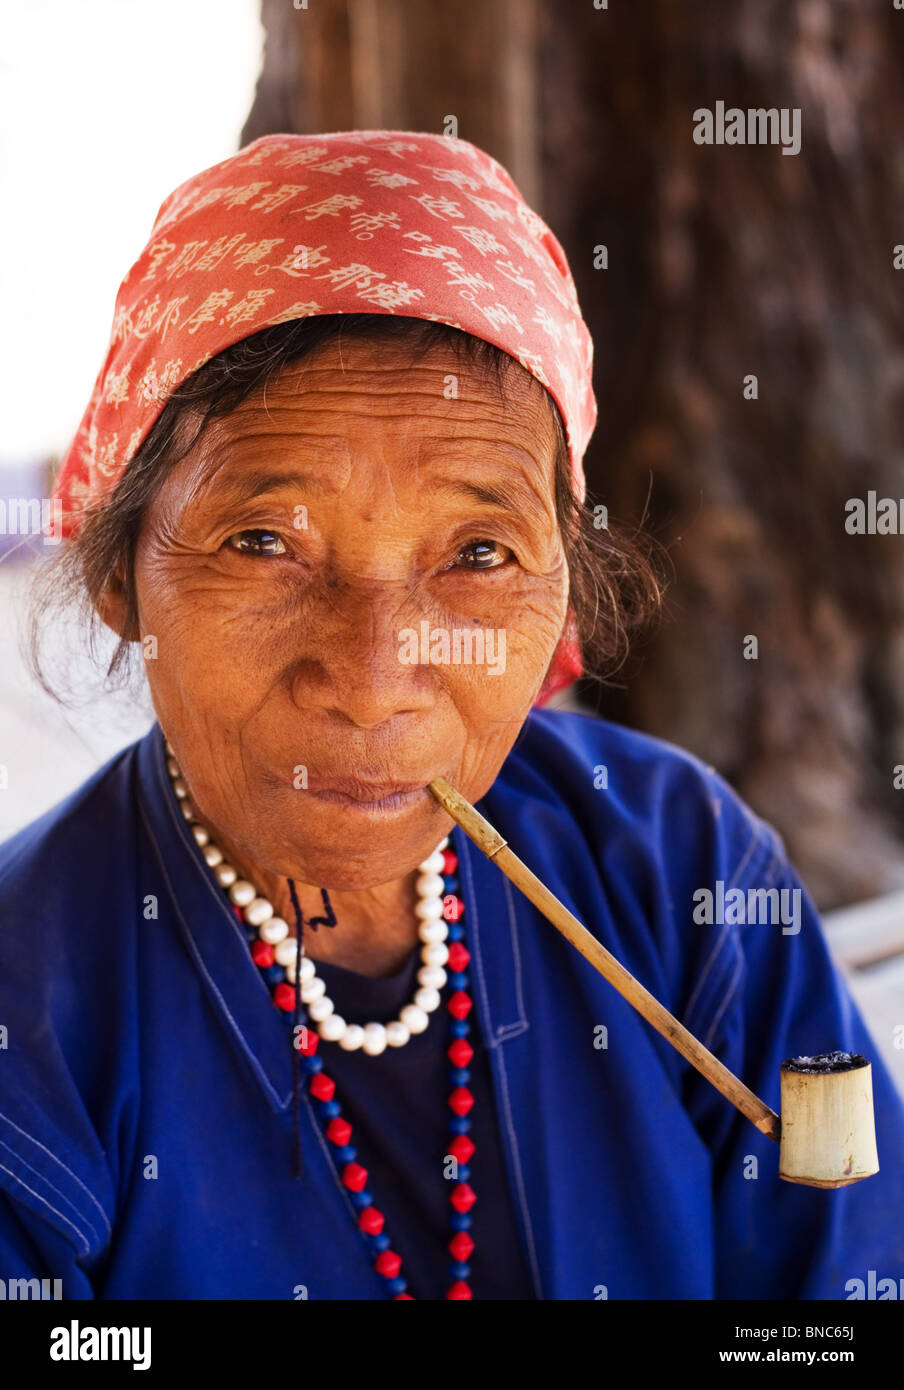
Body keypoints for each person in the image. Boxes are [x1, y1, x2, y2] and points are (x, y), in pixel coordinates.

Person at [0, 131, 901, 1301]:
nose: (378, 677)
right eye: (264, 541)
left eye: (479, 553)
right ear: (122, 577)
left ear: (562, 593)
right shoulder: (34, 1010)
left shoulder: (678, 865)